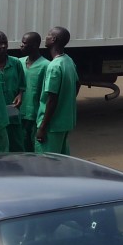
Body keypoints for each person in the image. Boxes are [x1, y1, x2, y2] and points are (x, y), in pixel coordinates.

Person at [35, 27, 78, 155]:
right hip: (64, 122)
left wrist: (42, 127)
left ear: (53, 39)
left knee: (46, 164)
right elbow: (77, 84)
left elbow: (51, 99)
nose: (46, 37)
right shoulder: (68, 60)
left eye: (48, 35)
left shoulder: (54, 66)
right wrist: (66, 102)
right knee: (61, 161)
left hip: (52, 126)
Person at [0, 32, 26, 152]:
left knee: (16, 146)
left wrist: (20, 94)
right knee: (0, 149)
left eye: (5, 43)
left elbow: (22, 84)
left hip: (13, 113)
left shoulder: (15, 62)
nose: (3, 46)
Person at [18, 32, 49, 153]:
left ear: (35, 45)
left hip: (36, 116)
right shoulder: (19, 62)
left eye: (24, 43)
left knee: (36, 151)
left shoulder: (46, 65)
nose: (21, 45)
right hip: (20, 114)